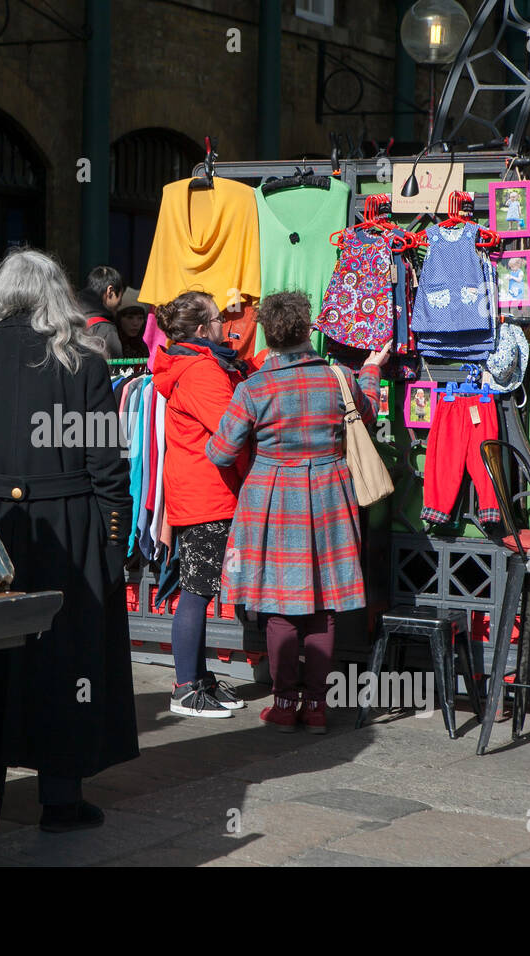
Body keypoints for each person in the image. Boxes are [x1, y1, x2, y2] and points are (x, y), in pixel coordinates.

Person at [0, 248, 138, 833]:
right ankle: (61, 798)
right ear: (56, 296)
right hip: (66, 532)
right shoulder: (86, 364)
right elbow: (108, 468)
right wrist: (113, 542)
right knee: (63, 662)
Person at [208, 292, 390, 733]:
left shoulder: (253, 388)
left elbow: (220, 451)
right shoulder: (338, 378)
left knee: (279, 606)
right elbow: (366, 412)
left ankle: (285, 704)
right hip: (330, 493)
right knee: (324, 604)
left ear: (269, 335)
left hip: (272, 498)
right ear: (307, 330)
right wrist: (371, 369)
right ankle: (317, 708)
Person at [152, 290, 252, 718]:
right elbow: (232, 428)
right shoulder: (201, 372)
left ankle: (200, 677)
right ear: (200, 329)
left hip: (199, 491)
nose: (224, 325)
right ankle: (185, 688)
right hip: (207, 494)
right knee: (196, 592)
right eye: (216, 319)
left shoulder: (193, 366)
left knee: (202, 589)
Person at [77, 265, 124, 359]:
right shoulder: (105, 328)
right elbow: (115, 369)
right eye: (120, 296)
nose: (120, 303)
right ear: (110, 291)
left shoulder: (68, 316)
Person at [115, 288, 150, 360]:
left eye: (140, 318)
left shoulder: (147, 346)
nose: (135, 323)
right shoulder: (112, 343)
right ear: (119, 319)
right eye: (129, 317)